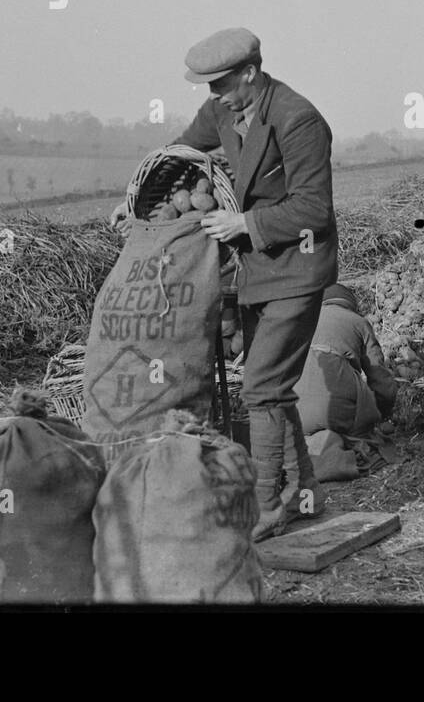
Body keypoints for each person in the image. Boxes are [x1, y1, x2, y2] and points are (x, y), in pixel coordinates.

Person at [109, 26, 338, 541]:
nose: (212, 95)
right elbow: (177, 156)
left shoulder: (298, 119)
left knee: (261, 388)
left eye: (219, 84)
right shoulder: (221, 111)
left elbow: (314, 209)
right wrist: (136, 198)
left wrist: (244, 225)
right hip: (257, 268)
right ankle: (305, 494)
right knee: (272, 389)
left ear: (250, 74)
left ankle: (265, 507)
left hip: (297, 268)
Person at [296, 284, 397, 439]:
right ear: (350, 304)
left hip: (295, 416)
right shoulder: (359, 323)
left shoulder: (301, 322)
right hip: (339, 415)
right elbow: (380, 380)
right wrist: (383, 414)